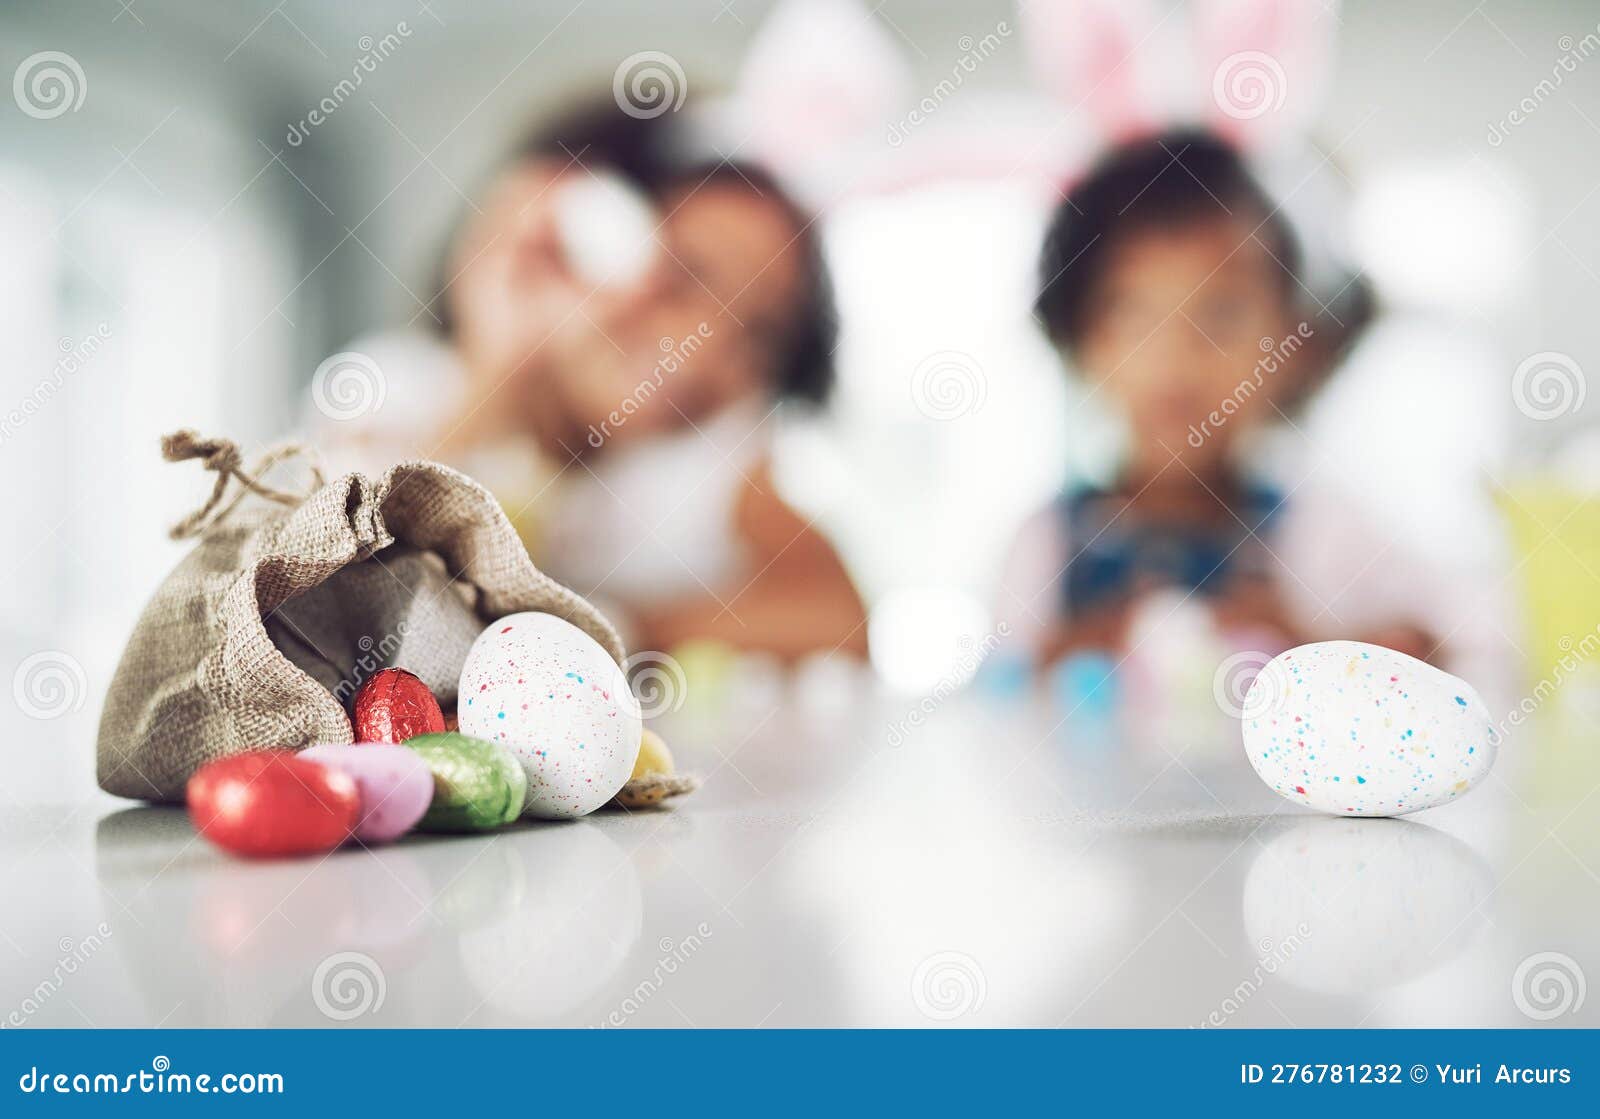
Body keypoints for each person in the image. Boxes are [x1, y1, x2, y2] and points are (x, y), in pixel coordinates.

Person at [305, 98, 867, 662]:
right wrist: (499, 371)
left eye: (759, 334)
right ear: (600, 250)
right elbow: (328, 586)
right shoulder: (397, 385)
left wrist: (588, 622)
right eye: (685, 277)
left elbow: (840, 620)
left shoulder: (705, 453)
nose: (704, 347)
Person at [998, 129, 1504, 680]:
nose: (1177, 355)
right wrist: (1058, 657)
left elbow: (1464, 642)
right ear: (1080, 339)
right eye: (1132, 314)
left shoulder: (1326, 533)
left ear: (1293, 344)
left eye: (1222, 314)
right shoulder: (1043, 547)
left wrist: (1319, 649)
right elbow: (995, 689)